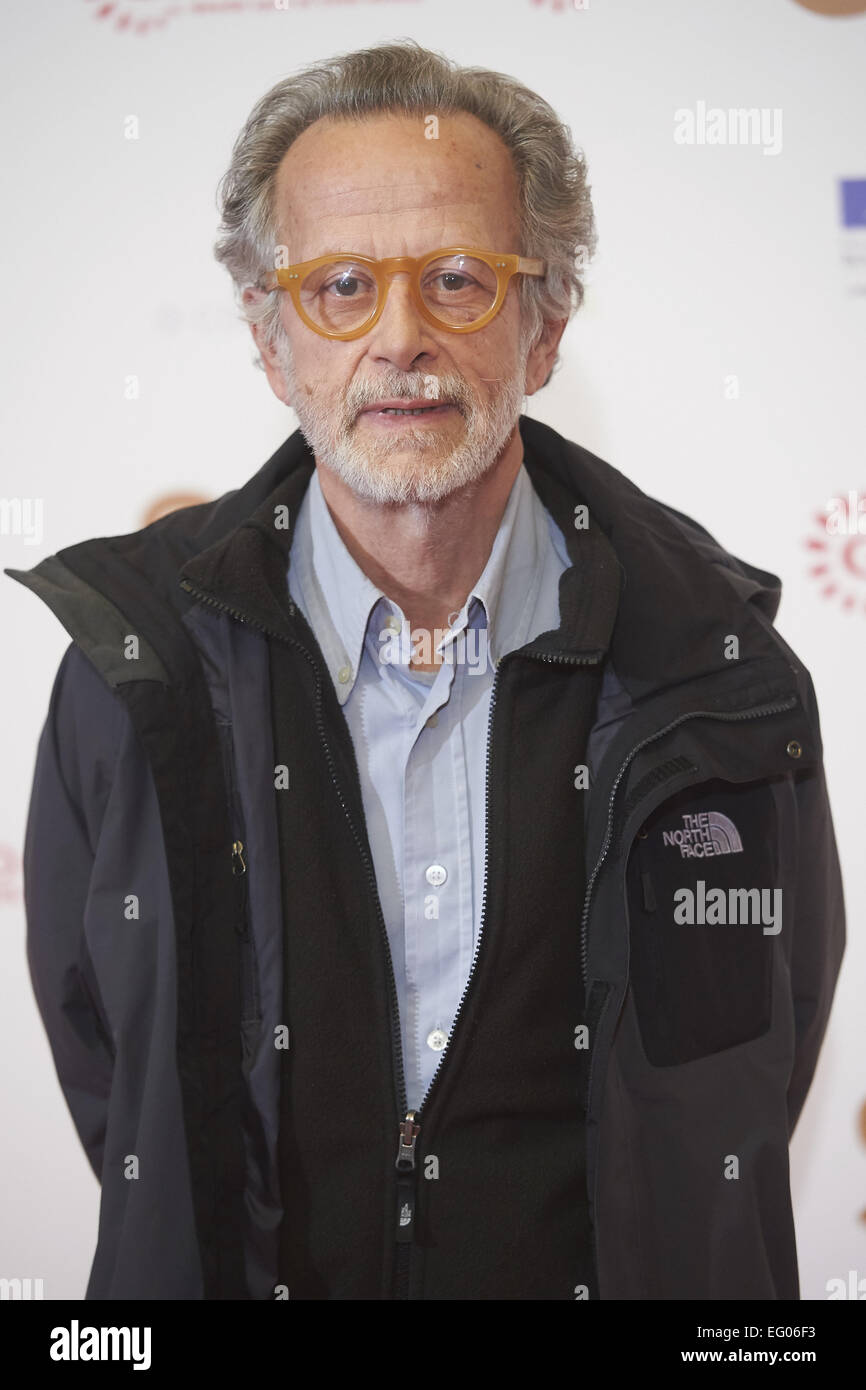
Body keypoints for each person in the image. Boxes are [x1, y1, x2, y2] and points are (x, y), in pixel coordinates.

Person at [5, 39, 845, 1301]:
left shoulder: (716, 670)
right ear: (270, 339)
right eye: (340, 286)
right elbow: (114, 1066)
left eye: (456, 280)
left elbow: (747, 1063)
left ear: (544, 325)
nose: (399, 338)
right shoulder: (137, 670)